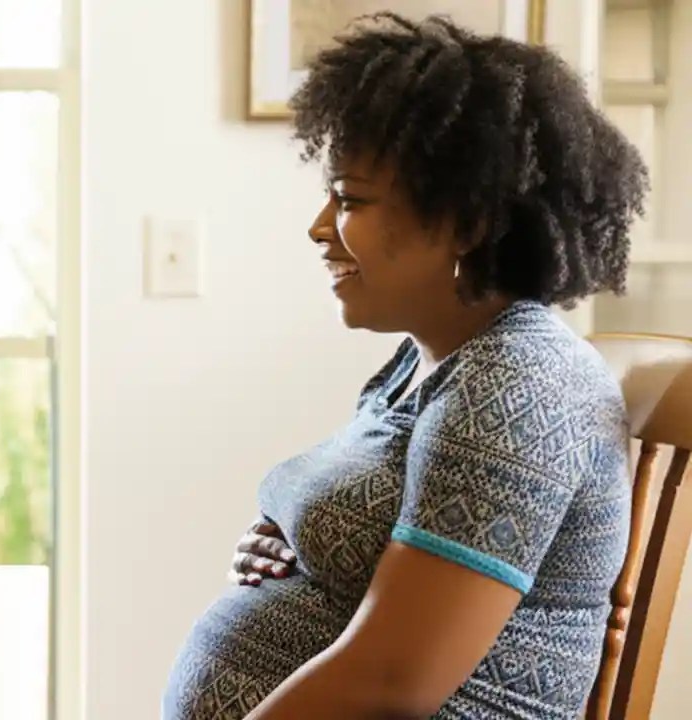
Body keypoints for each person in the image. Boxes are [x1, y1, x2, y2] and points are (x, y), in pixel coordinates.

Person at [164, 13, 647, 720]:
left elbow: (393, 682)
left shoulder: (519, 385)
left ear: (467, 222)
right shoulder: (429, 361)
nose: (320, 227)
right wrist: (294, 537)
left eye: (351, 199)